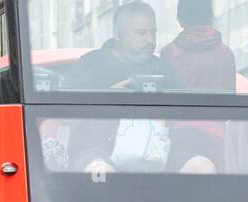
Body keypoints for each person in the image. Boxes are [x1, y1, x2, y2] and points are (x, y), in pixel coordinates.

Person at [67, 3, 181, 173]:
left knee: (200, 166)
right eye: (141, 33)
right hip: (99, 150)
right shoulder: (89, 66)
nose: (150, 40)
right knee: (100, 170)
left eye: (153, 33)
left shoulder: (164, 70)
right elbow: (68, 114)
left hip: (155, 153)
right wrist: (107, 97)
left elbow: (183, 112)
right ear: (119, 35)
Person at [159, 0, 235, 92]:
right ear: (211, 18)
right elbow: (230, 99)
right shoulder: (226, 54)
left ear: (179, 20)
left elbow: (165, 98)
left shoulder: (168, 53)